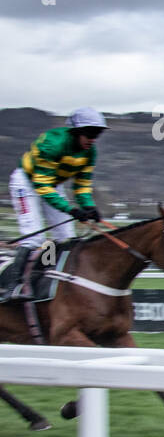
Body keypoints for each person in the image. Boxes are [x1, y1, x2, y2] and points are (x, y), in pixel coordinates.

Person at [3, 107, 106, 297]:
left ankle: (49, 276)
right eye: (90, 133)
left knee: (66, 237)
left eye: (97, 134)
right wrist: (71, 210)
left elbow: (82, 185)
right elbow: (42, 186)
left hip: (53, 184)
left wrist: (88, 206)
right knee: (34, 238)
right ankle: (12, 285)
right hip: (27, 183)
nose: (93, 139)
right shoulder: (54, 143)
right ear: (76, 132)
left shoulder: (90, 153)